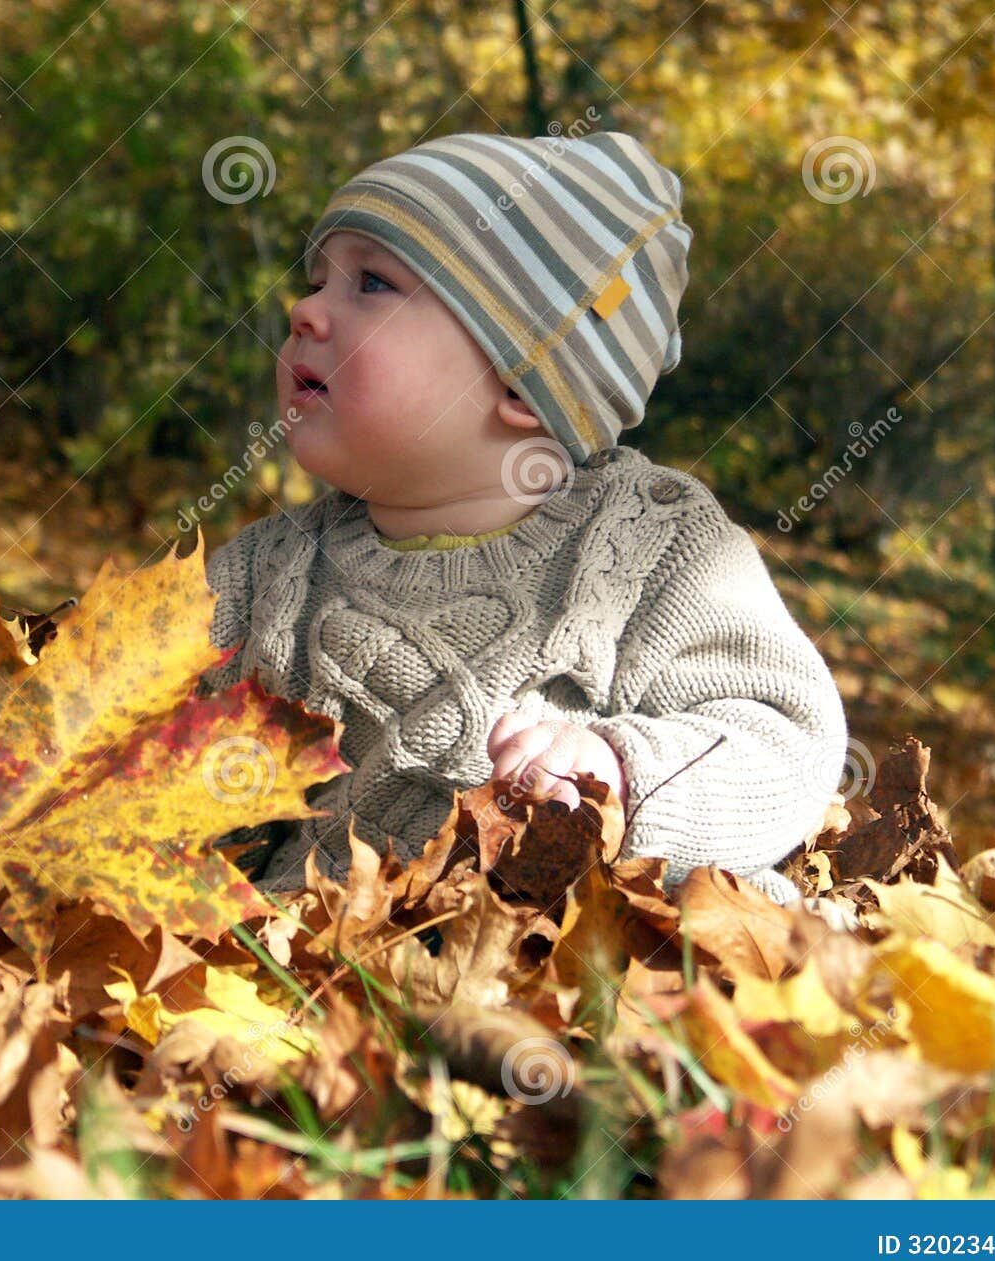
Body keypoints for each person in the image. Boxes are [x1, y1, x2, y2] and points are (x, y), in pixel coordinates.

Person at [196, 129, 847, 908]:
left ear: (521, 376)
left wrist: (623, 775)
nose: (307, 311)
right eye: (318, 281)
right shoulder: (267, 570)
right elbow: (123, 725)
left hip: (573, 962)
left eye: (370, 284)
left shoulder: (654, 543)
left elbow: (788, 738)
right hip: (304, 967)